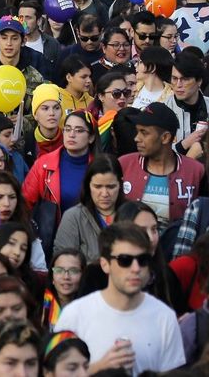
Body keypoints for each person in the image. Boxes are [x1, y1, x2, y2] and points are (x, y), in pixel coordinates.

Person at [55, 221, 184, 373]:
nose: (135, 269)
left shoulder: (165, 318)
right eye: (125, 260)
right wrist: (99, 368)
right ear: (105, 264)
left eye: (143, 260)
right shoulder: (74, 315)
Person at [119, 101, 205, 225]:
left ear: (165, 137)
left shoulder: (196, 171)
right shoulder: (124, 165)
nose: (136, 138)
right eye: (137, 131)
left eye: (144, 132)